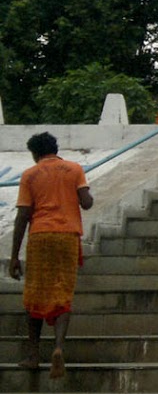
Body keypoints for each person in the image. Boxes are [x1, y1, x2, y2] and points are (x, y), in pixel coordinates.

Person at [8, 132, 92, 377]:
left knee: (34, 294)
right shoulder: (74, 169)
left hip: (40, 237)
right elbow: (86, 202)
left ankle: (33, 355)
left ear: (35, 154)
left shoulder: (30, 175)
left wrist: (14, 256)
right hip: (67, 237)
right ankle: (57, 348)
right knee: (62, 293)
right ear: (56, 149)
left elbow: (23, 215)